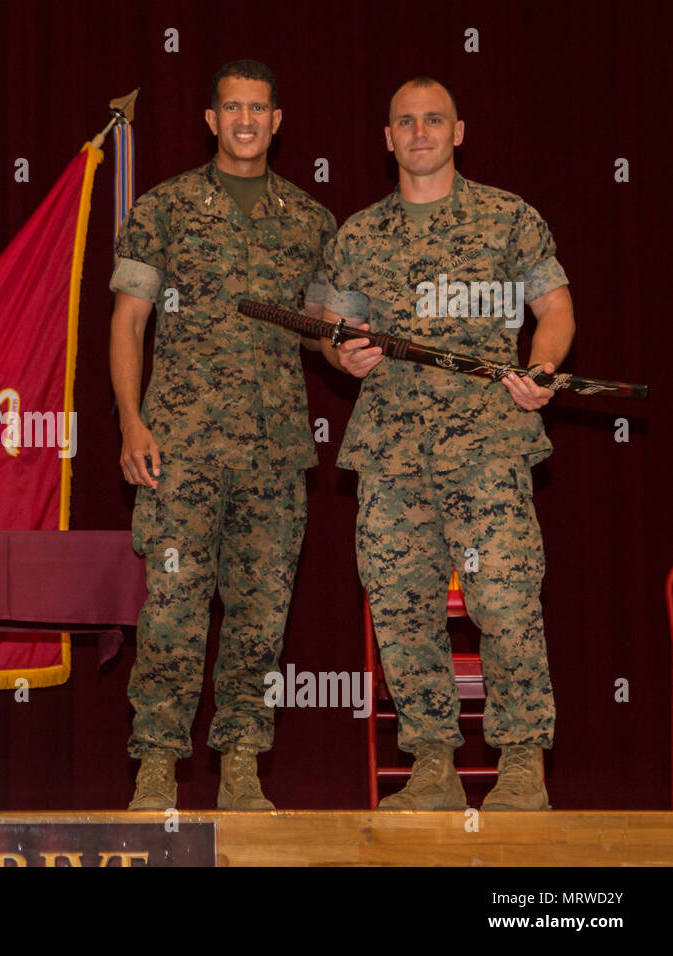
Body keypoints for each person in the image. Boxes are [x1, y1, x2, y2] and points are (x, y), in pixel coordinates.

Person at [321, 78, 573, 811]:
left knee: (505, 596)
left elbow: (553, 308)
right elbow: (334, 335)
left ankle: (522, 764)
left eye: (434, 120)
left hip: (489, 442)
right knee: (402, 606)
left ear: (458, 132)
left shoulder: (507, 218)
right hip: (393, 450)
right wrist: (346, 356)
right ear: (388, 137)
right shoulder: (360, 235)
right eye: (406, 122)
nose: (420, 132)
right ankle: (432, 766)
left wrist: (544, 368)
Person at [110, 60, 336, 811]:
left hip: (275, 455)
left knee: (261, 617)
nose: (246, 120)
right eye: (232, 107)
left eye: (259, 108)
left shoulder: (311, 221)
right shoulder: (164, 208)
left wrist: (349, 348)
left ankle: (241, 767)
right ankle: (156, 769)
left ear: (277, 121)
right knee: (172, 610)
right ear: (212, 119)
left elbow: (323, 337)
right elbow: (128, 322)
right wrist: (132, 421)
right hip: (179, 448)